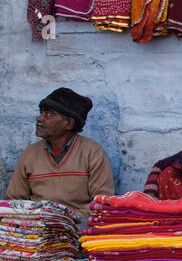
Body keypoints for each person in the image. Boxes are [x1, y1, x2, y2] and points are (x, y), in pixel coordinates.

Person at [5, 88, 115, 219]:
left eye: (49, 114)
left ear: (68, 123)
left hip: (79, 228)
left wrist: (67, 221)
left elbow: (102, 201)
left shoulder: (92, 152)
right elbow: (14, 201)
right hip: (38, 229)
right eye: (41, 113)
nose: (39, 118)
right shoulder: (29, 155)